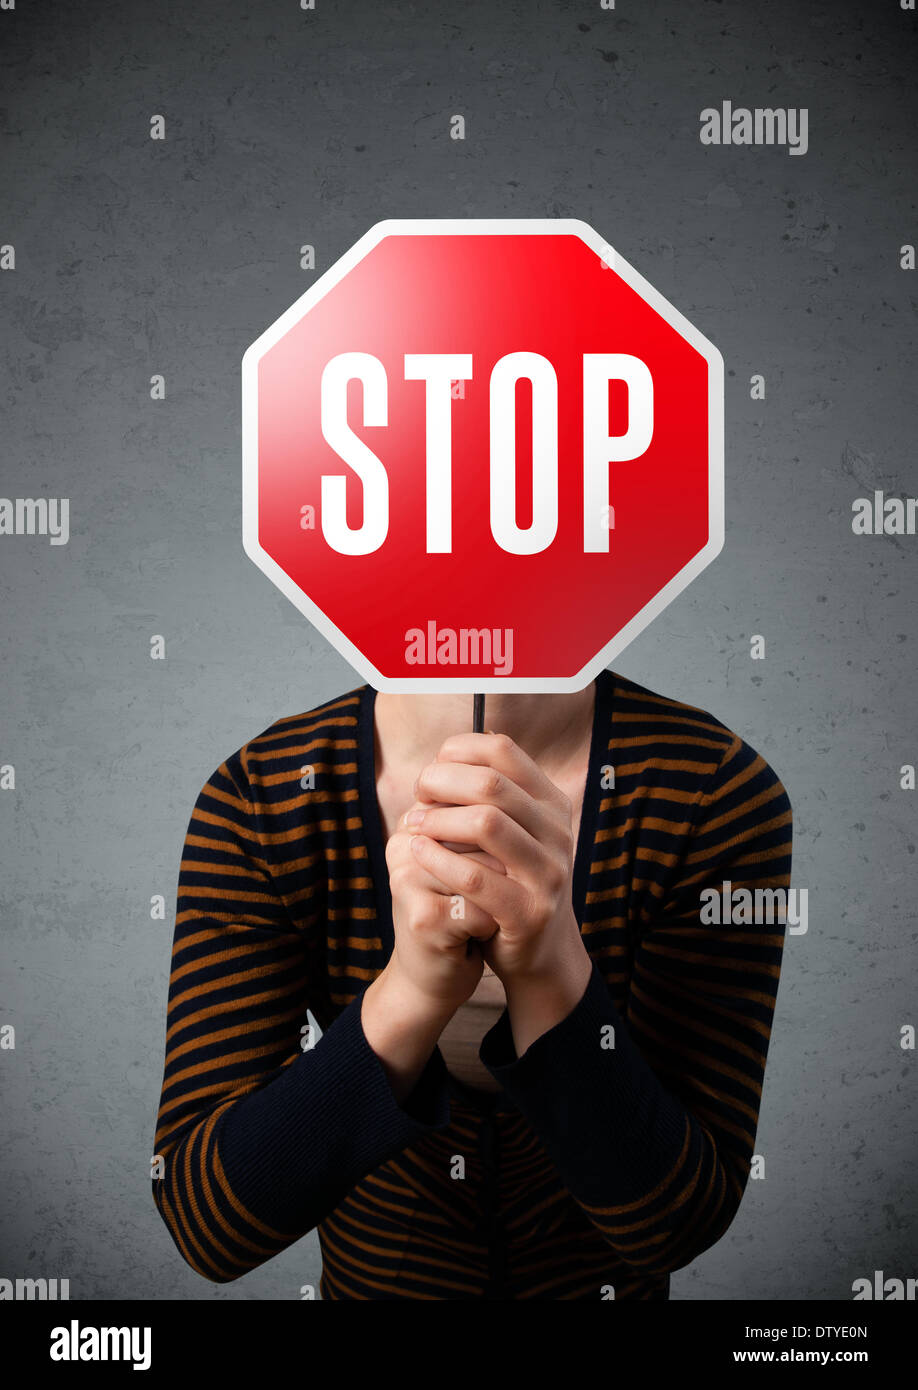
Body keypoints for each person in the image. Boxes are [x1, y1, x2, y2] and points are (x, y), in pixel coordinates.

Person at [151, 667, 792, 1299]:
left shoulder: (711, 788)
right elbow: (209, 1226)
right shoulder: (264, 795)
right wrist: (410, 993)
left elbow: (676, 1225)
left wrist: (550, 969)